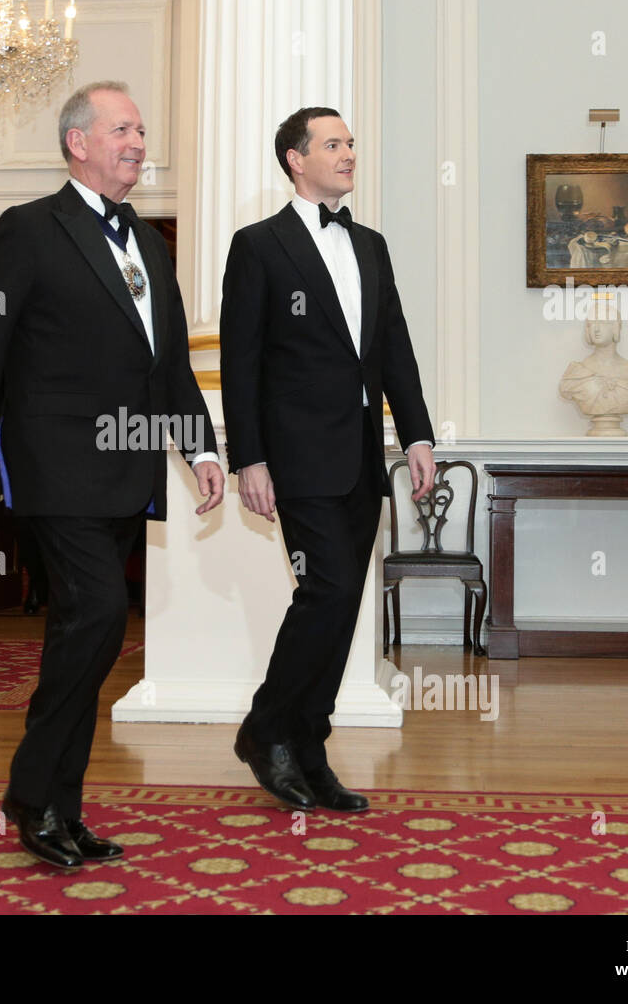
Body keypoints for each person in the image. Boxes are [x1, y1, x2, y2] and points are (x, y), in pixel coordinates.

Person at [0, 81, 226, 869]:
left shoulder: (150, 241)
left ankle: (58, 804)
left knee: (91, 635)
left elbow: (168, 362)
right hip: (54, 467)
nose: (139, 141)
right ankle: (35, 795)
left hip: (127, 466)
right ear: (78, 141)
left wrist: (199, 448)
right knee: (97, 614)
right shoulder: (29, 230)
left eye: (142, 129)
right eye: (123, 128)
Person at [220, 106, 436, 813]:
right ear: (295, 158)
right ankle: (267, 730)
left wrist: (418, 437)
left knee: (342, 607)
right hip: (295, 459)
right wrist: (249, 458)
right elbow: (241, 361)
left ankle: (307, 747)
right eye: (333, 144)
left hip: (360, 460)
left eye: (351, 144)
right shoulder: (258, 246)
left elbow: (393, 348)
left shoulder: (370, 244)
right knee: (329, 591)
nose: (348, 154)